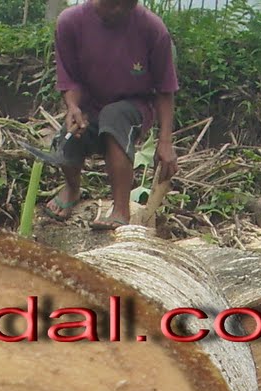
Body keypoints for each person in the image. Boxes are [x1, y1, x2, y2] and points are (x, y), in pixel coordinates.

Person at [48, 0, 179, 230]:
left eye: (126, 5)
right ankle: (72, 187)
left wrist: (165, 141)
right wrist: (73, 107)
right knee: (68, 139)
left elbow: (164, 90)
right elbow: (70, 80)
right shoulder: (70, 22)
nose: (118, 10)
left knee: (114, 116)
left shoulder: (153, 29)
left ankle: (121, 209)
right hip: (89, 105)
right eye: (111, 4)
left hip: (135, 105)